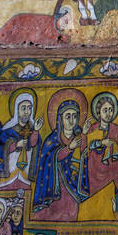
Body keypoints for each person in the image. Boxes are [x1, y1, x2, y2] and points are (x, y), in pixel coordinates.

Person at [31, 91, 89, 221]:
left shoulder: (79, 137)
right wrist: (69, 148)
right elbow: (48, 158)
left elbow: (84, 157)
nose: (71, 120)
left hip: (73, 187)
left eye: (74, 116)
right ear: (60, 119)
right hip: (55, 188)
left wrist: (84, 137)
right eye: (67, 116)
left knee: (72, 214)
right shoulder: (52, 139)